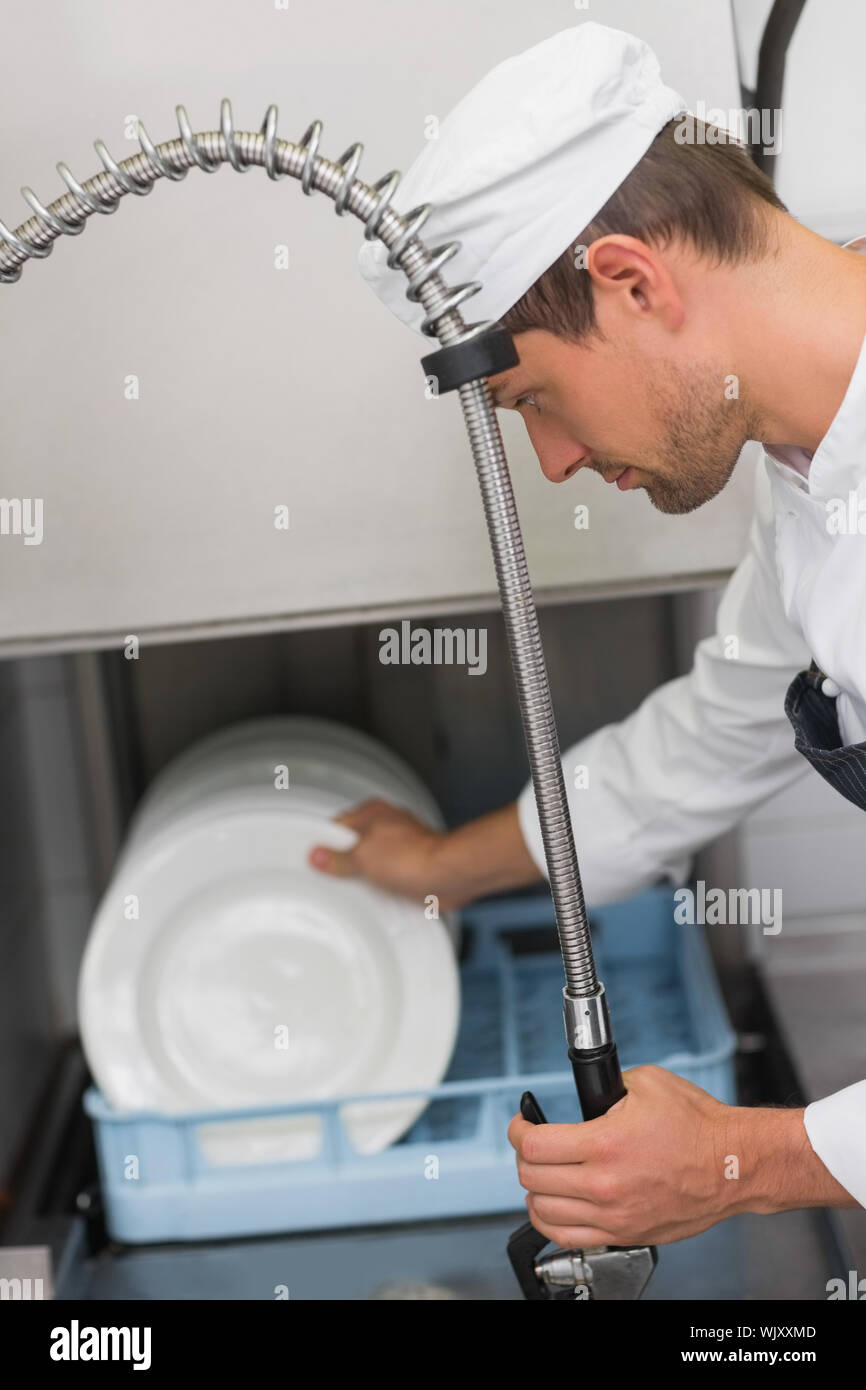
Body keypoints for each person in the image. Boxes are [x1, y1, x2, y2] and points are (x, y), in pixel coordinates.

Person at [309, 21, 866, 1249]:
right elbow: (704, 746)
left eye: (532, 400)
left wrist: (742, 1162)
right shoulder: (808, 461)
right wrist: (434, 871)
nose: (553, 460)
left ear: (630, 280)